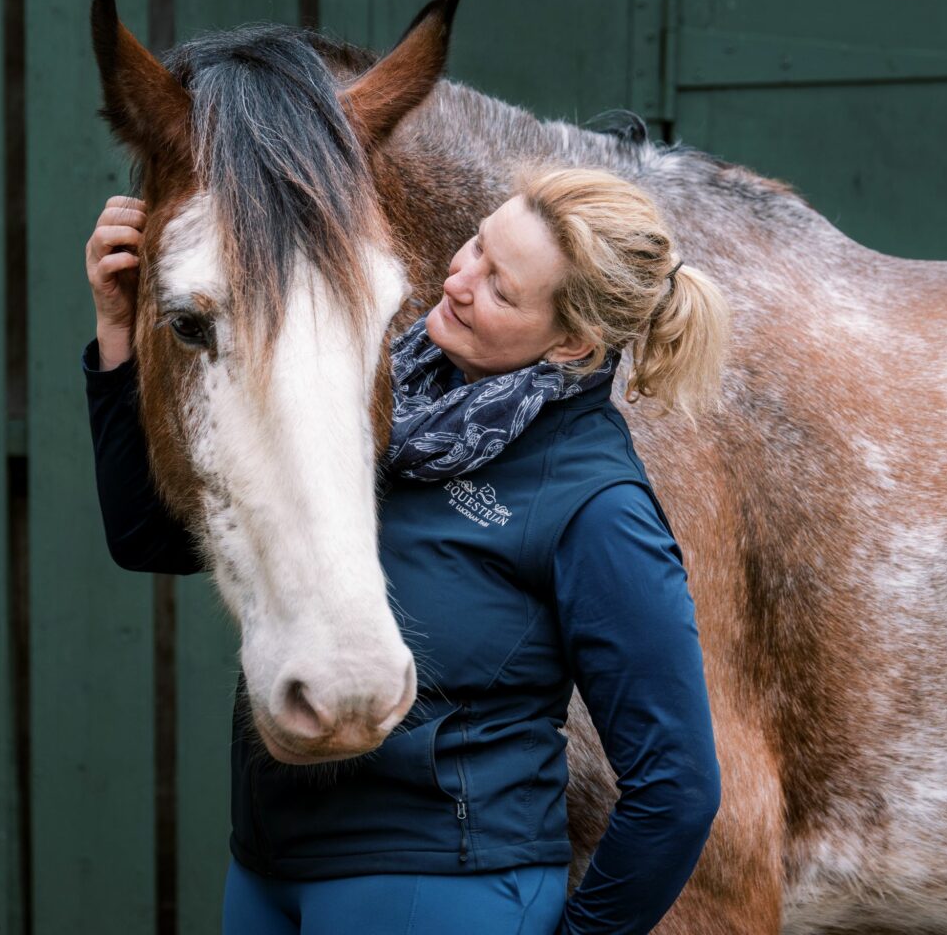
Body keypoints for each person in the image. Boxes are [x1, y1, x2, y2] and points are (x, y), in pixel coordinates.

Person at [83, 165, 729, 934]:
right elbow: (148, 540)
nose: (459, 281)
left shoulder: (596, 502)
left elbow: (679, 787)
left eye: (501, 289)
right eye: (478, 247)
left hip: (439, 885)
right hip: (267, 866)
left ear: (572, 341)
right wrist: (117, 333)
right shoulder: (378, 388)